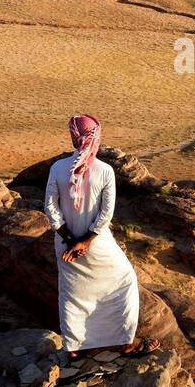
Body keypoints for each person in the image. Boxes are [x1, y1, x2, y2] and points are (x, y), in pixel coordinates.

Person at [43, 115, 155, 359]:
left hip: (65, 243)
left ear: (74, 138)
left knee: (72, 292)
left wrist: (69, 238)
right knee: (124, 280)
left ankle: (74, 348)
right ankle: (123, 343)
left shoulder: (58, 168)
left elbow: (50, 206)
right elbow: (107, 212)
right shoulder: (105, 171)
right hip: (96, 242)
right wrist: (86, 240)